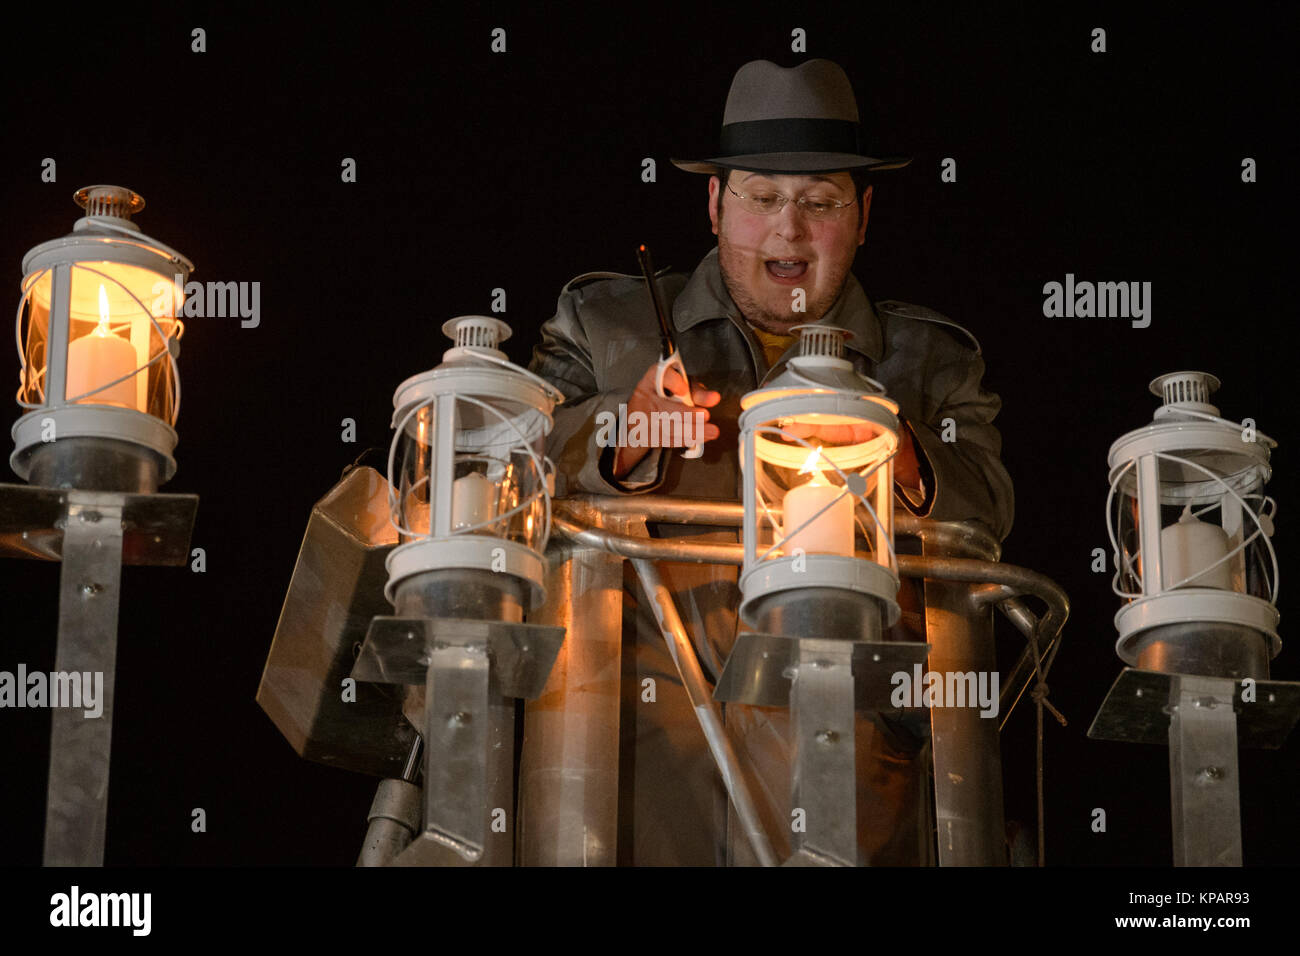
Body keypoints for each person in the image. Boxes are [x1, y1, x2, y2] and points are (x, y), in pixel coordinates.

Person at [529, 58, 1014, 865]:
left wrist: (896, 455)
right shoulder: (602, 325)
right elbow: (507, 466)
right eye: (761, 198)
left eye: (820, 203)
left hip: (861, 791)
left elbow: (988, 511)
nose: (788, 231)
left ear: (863, 216)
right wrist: (625, 429)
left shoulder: (931, 363)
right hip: (636, 790)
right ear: (716, 205)